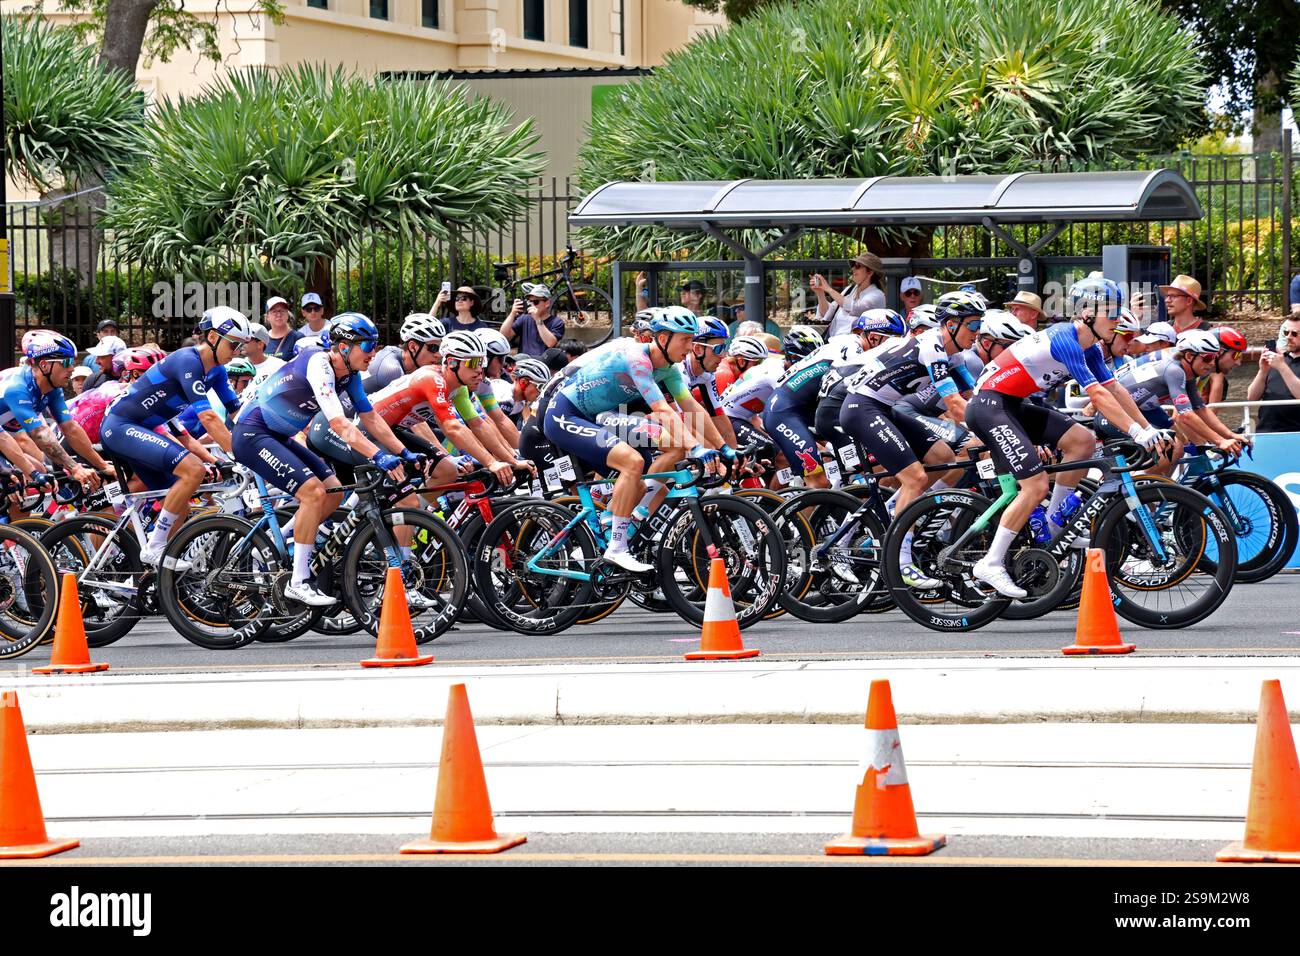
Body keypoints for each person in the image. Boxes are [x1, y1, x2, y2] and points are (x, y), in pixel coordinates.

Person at [964, 276, 1167, 598]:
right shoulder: (1065, 339)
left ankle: (1056, 522)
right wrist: (1135, 432)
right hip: (989, 406)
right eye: (1111, 314)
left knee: (1082, 441)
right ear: (1087, 312)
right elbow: (1099, 396)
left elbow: (1116, 389)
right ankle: (990, 562)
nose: (1116, 321)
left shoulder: (1091, 350)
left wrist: (1148, 428)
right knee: (1035, 485)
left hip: (1013, 406)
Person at [236, 313, 416, 605]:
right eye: (368, 346)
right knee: (313, 493)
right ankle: (298, 580)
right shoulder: (318, 362)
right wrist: (379, 455)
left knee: (333, 491)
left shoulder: (351, 375)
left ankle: (277, 544)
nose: (373, 353)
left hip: (277, 435)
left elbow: (370, 417)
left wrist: (402, 452)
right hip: (252, 433)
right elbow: (340, 425)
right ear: (344, 347)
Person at [543, 307, 729, 572]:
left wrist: (722, 447)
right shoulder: (638, 359)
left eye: (692, 339)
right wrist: (697, 448)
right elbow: (663, 411)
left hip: (600, 416)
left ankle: (614, 521)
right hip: (566, 416)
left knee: (665, 456)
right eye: (685, 339)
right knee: (633, 462)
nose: (690, 347)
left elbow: (691, 408)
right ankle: (617, 548)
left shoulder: (669, 369)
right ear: (663, 339)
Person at [839, 291, 984, 586]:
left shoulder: (951, 354)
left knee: (944, 460)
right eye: (972, 324)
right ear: (952, 325)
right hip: (861, 407)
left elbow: (975, 398)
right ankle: (900, 559)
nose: (977, 332)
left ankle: (897, 509)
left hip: (886, 407)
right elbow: (956, 405)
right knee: (915, 478)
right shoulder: (932, 346)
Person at [101, 308, 250, 566]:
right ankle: (155, 549)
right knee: (193, 469)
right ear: (213, 337)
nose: (237, 352)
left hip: (141, 429)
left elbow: (237, 413)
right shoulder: (187, 360)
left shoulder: (217, 371)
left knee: (181, 503)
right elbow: (209, 418)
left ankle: (159, 572)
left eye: (241, 346)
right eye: (234, 344)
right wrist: (240, 455)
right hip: (120, 426)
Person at [0, 333, 109, 490]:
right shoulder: (17, 389)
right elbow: (39, 434)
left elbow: (70, 429)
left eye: (73, 362)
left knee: (38, 473)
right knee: (16, 481)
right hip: (4, 437)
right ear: (44, 365)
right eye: (66, 362)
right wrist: (75, 468)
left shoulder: (53, 389)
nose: (72, 368)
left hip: (4, 436)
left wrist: (103, 465)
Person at [363, 313, 446, 394]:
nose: (439, 354)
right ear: (412, 347)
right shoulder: (392, 370)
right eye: (433, 348)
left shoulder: (408, 361)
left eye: (440, 348)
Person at [813, 253, 886, 338]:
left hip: (857, 348)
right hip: (833, 343)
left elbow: (854, 308)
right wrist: (820, 293)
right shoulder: (849, 290)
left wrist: (829, 289)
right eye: (853, 265)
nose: (853, 268)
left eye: (858, 266)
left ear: (870, 272)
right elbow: (827, 312)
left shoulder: (877, 295)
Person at [1247, 315, 1300, 432]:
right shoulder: (1278, 360)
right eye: (1286, 333)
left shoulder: (1280, 363)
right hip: (1266, 431)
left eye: (1294, 334)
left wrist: (1282, 368)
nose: (1288, 337)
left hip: (1296, 432)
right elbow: (1251, 398)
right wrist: (1263, 371)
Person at [501, 284, 564, 357]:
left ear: (547, 303)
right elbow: (504, 335)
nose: (532, 305)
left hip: (543, 364)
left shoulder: (557, 322)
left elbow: (550, 343)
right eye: (530, 301)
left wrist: (537, 319)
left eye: (536, 302)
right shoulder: (524, 318)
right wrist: (512, 314)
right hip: (523, 362)